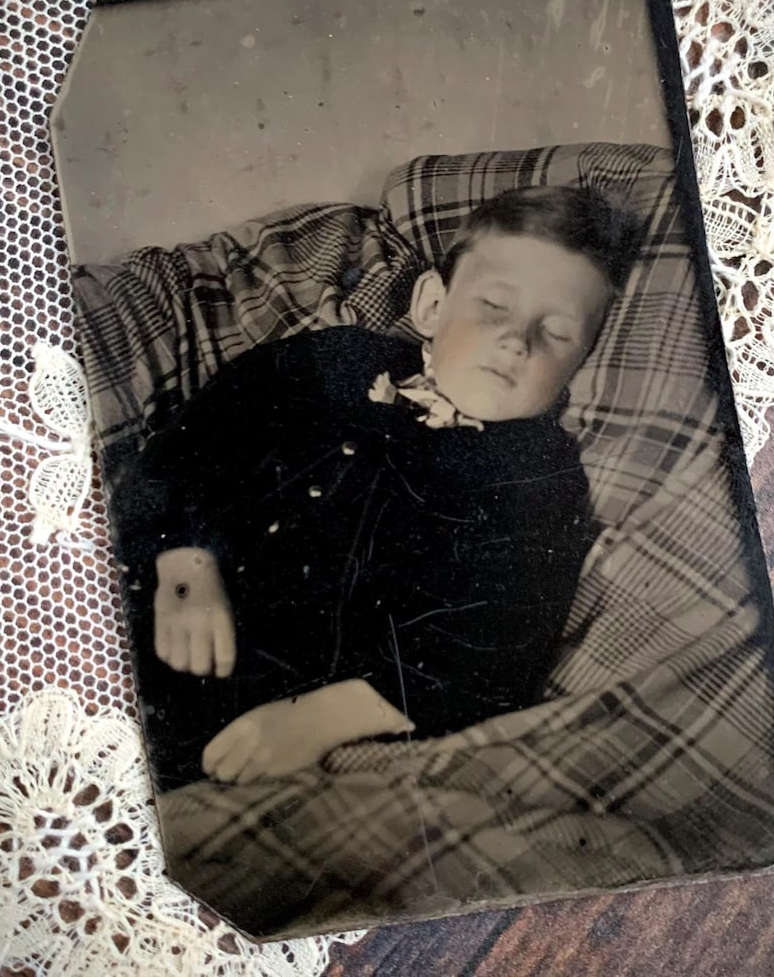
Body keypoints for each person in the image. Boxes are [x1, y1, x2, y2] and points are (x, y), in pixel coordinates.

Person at [110, 185, 637, 790]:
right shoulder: (343, 357)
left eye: (558, 333)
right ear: (433, 306)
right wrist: (185, 565)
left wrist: (320, 720)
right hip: (163, 594)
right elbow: (196, 438)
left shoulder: (540, 475)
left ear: (581, 363)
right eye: (495, 305)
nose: (519, 340)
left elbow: (498, 643)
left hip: (279, 713)